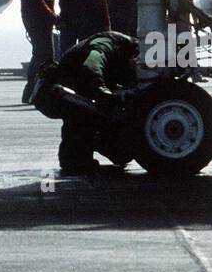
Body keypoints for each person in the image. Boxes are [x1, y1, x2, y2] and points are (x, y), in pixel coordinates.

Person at [32, 31, 139, 176]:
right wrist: (102, 91)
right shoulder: (105, 44)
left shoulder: (119, 52)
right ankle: (76, 156)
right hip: (57, 93)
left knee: (122, 152)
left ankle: (81, 152)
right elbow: (91, 66)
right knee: (82, 122)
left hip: (69, 92)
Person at [18, 0, 57, 104]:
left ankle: (35, 89)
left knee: (44, 54)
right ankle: (32, 89)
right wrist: (52, 16)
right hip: (37, 18)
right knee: (42, 54)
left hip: (39, 18)